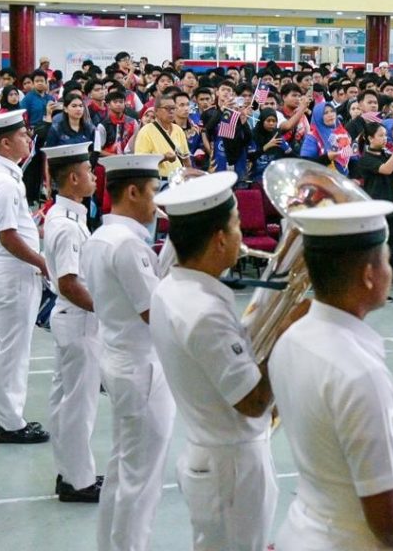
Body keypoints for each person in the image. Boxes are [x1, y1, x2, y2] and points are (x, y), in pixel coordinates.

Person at [271, 200, 393, 551]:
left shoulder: (291, 337)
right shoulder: (359, 373)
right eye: (386, 261)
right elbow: (390, 524)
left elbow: (332, 463)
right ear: (369, 276)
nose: (390, 271)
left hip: (303, 531)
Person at [151, 172, 294, 550]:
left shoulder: (172, 286)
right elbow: (252, 402)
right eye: (237, 228)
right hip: (233, 466)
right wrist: (285, 332)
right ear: (218, 239)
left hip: (211, 451)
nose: (241, 238)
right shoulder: (204, 311)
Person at [82, 154, 176, 551]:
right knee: (141, 482)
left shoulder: (103, 237)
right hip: (143, 368)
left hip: (122, 359)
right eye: (154, 191)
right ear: (133, 191)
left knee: (123, 472)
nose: (156, 202)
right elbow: (158, 313)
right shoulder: (126, 246)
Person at [0, 110, 50, 444]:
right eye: (22, 135)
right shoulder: (2, 182)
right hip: (15, 271)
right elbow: (7, 236)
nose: (28, 139)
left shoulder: (4, 174)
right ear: (5, 143)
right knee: (13, 349)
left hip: (15, 269)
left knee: (11, 345)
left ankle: (8, 417)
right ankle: (9, 423)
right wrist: (41, 261)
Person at [40, 143, 103, 503]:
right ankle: (78, 481)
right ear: (75, 178)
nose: (95, 177)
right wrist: (106, 311)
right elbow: (68, 282)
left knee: (66, 399)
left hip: (70, 320)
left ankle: (70, 471)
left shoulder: (67, 217)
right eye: (89, 172)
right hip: (78, 320)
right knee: (80, 404)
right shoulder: (66, 226)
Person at [133, 95, 192, 181]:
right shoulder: (146, 131)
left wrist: (189, 177)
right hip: (158, 181)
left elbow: (186, 160)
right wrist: (163, 157)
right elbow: (140, 162)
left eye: (173, 108)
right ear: (156, 111)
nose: (171, 111)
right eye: (167, 108)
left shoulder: (178, 130)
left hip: (178, 181)